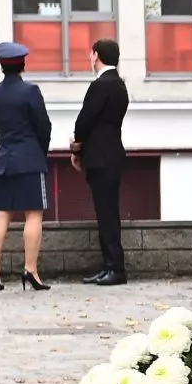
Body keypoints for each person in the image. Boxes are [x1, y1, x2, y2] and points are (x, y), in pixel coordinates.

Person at [0, 41, 51, 292]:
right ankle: (30, 271)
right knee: (33, 214)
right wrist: (38, 150)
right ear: (23, 64)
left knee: (2, 214)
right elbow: (44, 126)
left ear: (1, 66)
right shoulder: (30, 91)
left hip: (4, 160)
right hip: (30, 159)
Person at [71, 37, 130, 286]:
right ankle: (109, 266)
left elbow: (85, 120)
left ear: (97, 56)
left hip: (100, 158)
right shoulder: (120, 85)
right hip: (112, 155)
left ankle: (115, 268)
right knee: (108, 213)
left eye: (91, 54)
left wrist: (76, 146)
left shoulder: (100, 86)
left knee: (106, 214)